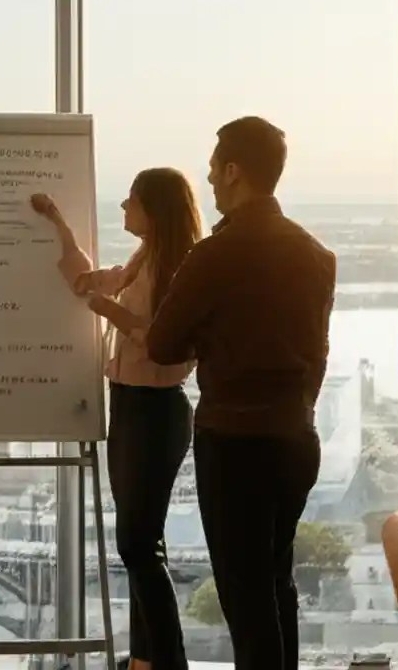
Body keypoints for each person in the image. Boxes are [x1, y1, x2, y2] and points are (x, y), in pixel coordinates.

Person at [144, 117, 336, 669]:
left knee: (245, 599)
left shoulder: (213, 255)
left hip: (234, 441)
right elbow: (317, 353)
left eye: (213, 165)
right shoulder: (315, 254)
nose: (207, 176)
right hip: (297, 436)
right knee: (278, 584)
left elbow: (161, 344)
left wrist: (208, 335)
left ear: (234, 170)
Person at [30, 167, 203, 670]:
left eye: (132, 201)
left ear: (155, 209)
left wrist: (114, 314)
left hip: (154, 409)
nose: (124, 208)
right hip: (129, 404)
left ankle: (167, 661)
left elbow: (170, 344)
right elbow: (86, 282)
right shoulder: (143, 259)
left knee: (136, 543)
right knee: (143, 540)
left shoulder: (180, 267)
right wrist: (57, 220)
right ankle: (146, 659)